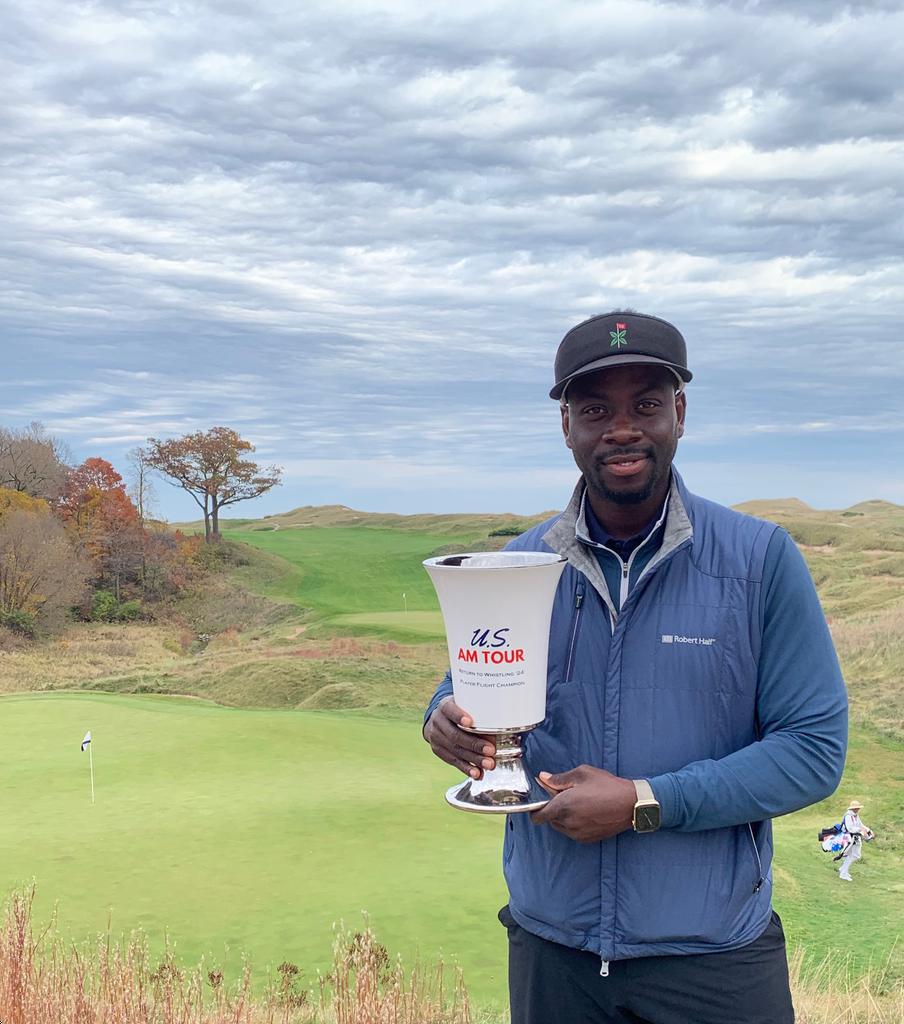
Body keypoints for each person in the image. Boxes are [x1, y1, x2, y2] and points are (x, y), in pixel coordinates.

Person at [423, 311, 849, 1024]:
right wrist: (445, 719)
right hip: (553, 953)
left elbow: (812, 751)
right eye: (595, 410)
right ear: (567, 426)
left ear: (679, 413)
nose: (621, 429)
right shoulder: (516, 565)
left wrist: (644, 801)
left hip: (713, 963)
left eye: (645, 405)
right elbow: (471, 681)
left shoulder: (760, 559)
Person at [838, 800, 873, 881]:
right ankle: (843, 873)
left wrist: (868, 830)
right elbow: (850, 828)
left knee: (852, 855)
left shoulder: (855, 815)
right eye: (856, 808)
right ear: (852, 808)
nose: (857, 809)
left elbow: (860, 824)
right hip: (850, 838)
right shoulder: (848, 816)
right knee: (855, 855)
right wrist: (861, 830)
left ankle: (843, 870)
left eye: (858, 808)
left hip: (855, 837)